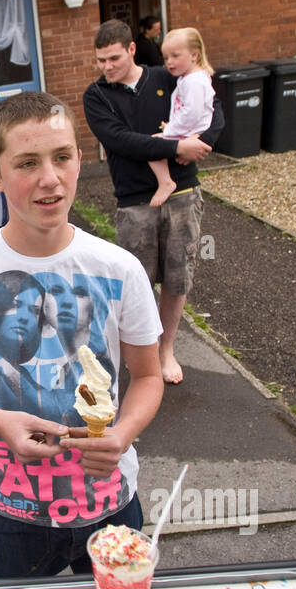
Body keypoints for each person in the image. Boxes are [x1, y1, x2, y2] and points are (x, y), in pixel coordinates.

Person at [0, 91, 165, 580]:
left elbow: (148, 375)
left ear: (79, 160)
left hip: (110, 504)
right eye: (27, 163)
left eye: (62, 157)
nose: (50, 179)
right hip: (11, 515)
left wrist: (122, 435)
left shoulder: (119, 268)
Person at [82, 19, 223, 385]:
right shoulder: (97, 96)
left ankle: (166, 350)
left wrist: (202, 142)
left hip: (183, 193)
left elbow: (212, 109)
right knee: (137, 284)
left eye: (113, 58)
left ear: (131, 50)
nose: (106, 67)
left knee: (178, 279)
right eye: (100, 61)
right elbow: (121, 141)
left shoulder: (168, 76)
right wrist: (178, 146)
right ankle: (139, 353)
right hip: (134, 202)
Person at [147, 27, 216, 207]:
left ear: (194, 55)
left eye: (175, 56)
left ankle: (165, 182)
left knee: (152, 146)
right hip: (191, 130)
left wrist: (170, 129)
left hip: (192, 130)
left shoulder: (194, 81)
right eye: (166, 57)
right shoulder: (187, 78)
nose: (169, 62)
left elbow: (191, 113)